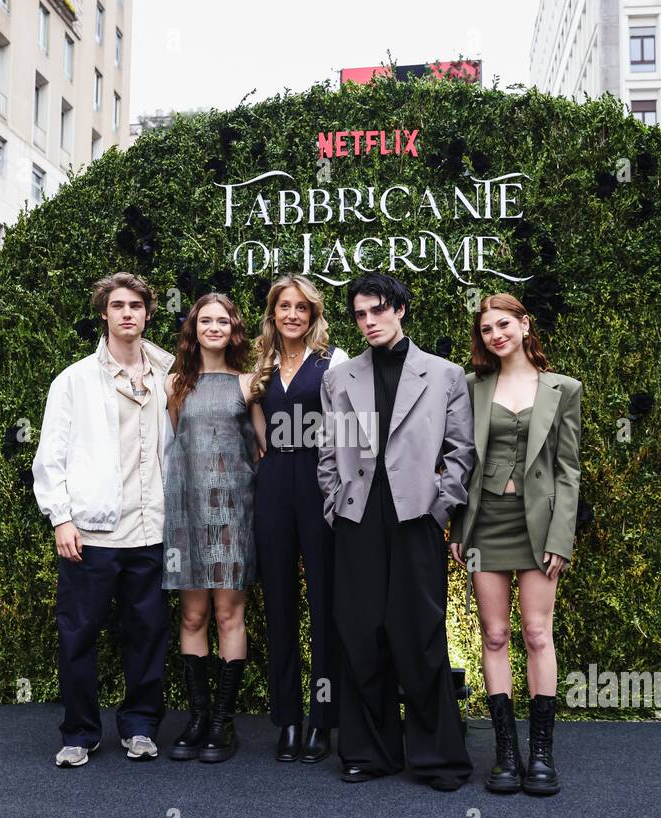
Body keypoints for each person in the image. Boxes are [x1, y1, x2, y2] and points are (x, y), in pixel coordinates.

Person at [318, 272, 475, 791]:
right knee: (360, 634)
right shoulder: (339, 379)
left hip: (415, 518)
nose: (368, 323)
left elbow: (460, 451)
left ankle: (436, 759)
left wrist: (440, 508)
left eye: (377, 311)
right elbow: (326, 451)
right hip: (358, 517)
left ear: (400, 310)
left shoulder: (445, 375)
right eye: (360, 315)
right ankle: (368, 753)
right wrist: (334, 505)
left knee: (419, 635)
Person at [33, 272, 175, 767]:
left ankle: (139, 727)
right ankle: (79, 733)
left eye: (136, 305)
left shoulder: (169, 374)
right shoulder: (73, 380)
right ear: (105, 313)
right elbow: (49, 455)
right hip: (91, 531)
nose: (128, 313)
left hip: (152, 528)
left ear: (147, 313)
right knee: (78, 634)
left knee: (148, 633)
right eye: (118, 305)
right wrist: (61, 518)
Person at [450, 293, 582, 796]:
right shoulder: (471, 386)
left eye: (503, 324)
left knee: (536, 633)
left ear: (525, 325)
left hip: (539, 526)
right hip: (485, 523)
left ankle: (542, 754)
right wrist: (459, 528)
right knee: (495, 634)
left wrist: (561, 537)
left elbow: (568, 470)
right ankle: (506, 754)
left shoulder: (563, 389)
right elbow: (460, 460)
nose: (496, 335)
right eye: (486, 330)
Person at [249, 274, 347, 763]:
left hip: (318, 480)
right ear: (274, 313)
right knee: (280, 603)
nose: (292, 314)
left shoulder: (334, 362)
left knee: (326, 603)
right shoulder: (261, 364)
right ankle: (287, 720)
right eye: (284, 306)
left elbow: (347, 427)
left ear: (312, 315)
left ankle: (322, 721)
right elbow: (254, 420)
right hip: (273, 484)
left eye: (301, 308)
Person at [163, 291, 264, 763]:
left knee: (228, 616)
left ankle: (224, 722)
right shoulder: (175, 385)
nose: (214, 327)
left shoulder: (249, 384)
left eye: (223, 320)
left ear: (233, 329)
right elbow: (172, 450)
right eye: (206, 320)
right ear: (193, 328)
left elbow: (262, 451)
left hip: (234, 516)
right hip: (186, 514)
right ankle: (198, 716)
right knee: (192, 617)